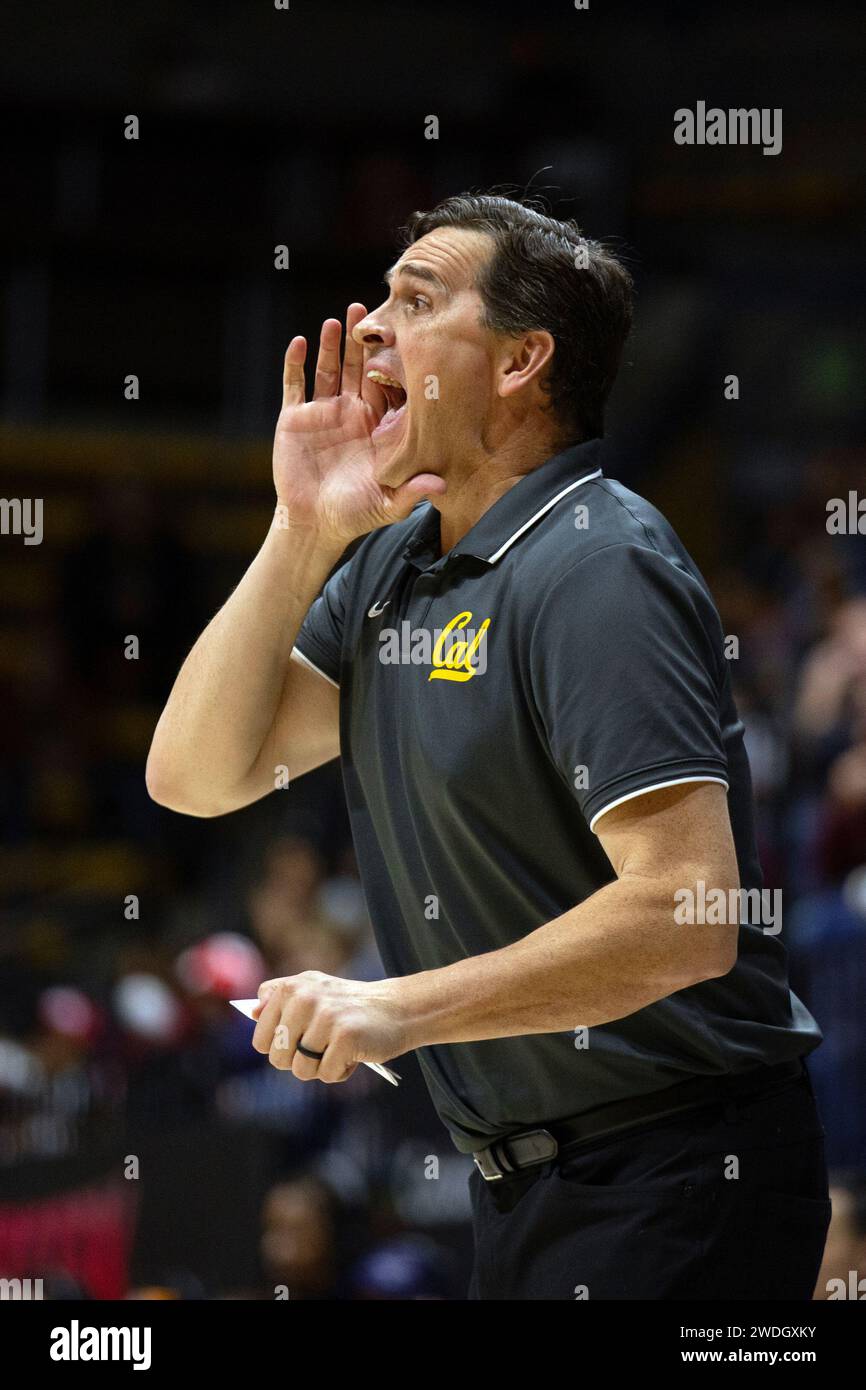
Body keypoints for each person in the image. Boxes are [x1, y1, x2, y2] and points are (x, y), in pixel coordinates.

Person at [147, 194, 829, 1299]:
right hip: (525, 1180)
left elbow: (684, 916)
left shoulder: (597, 563)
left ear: (521, 361)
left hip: (681, 1170)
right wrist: (302, 528)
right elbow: (195, 775)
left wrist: (394, 1007)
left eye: (415, 301)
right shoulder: (392, 563)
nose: (368, 326)